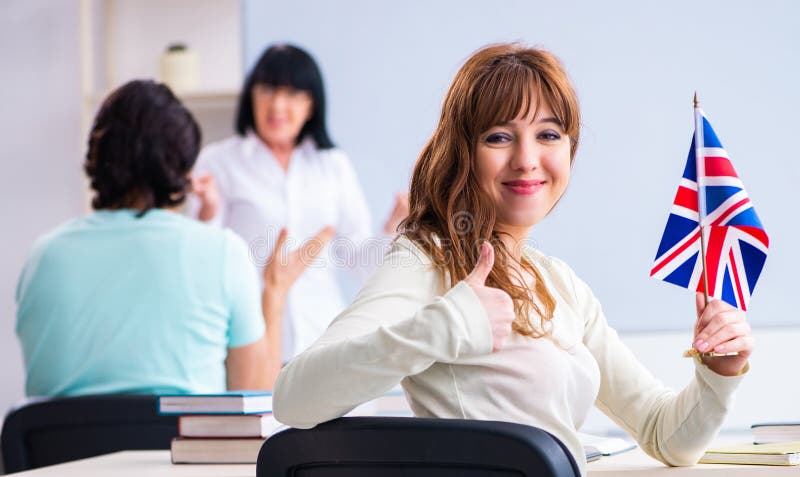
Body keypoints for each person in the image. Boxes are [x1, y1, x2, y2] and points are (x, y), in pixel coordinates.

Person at [271, 44, 752, 474]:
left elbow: (666, 436)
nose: (527, 159)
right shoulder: (426, 258)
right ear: (463, 153)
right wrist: (443, 327)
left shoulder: (560, 284)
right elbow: (294, 398)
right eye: (499, 137)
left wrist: (717, 375)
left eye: (548, 135)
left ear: (570, 150)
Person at [15, 80, 321, 396]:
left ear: (96, 157)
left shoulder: (44, 256)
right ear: (184, 170)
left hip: (68, 447)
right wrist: (274, 292)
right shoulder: (223, 253)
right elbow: (256, 400)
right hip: (175, 447)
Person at [191, 44, 408, 362]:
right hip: (250, 339)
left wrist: (393, 229)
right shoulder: (220, 161)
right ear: (251, 95)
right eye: (267, 89)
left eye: (293, 93)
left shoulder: (332, 164)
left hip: (324, 340)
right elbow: (203, 259)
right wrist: (208, 211)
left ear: (311, 104)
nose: (277, 104)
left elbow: (361, 262)